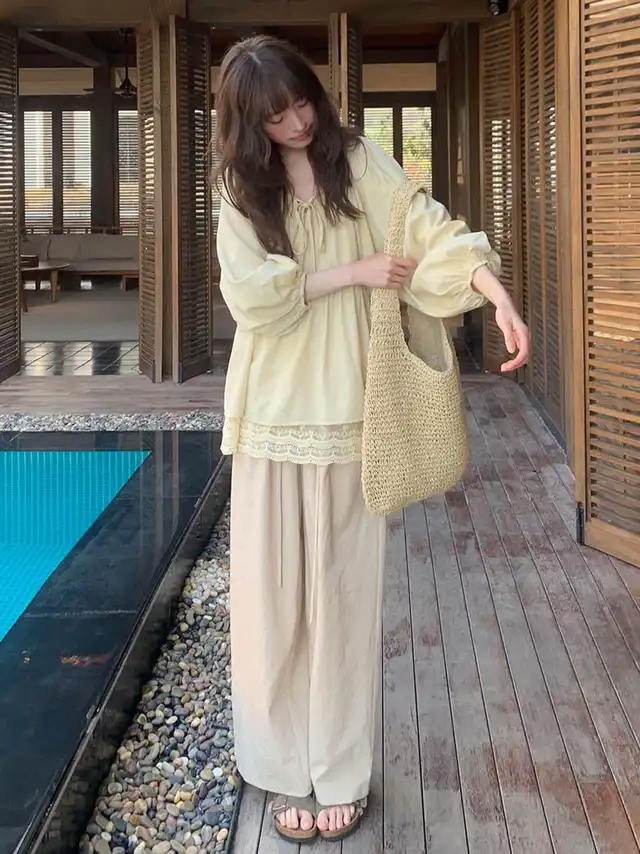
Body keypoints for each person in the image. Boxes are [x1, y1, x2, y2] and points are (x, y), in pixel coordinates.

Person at [213, 35, 530, 844]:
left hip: (351, 410)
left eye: (300, 102)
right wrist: (351, 273)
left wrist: (496, 295)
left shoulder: (357, 162)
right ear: (248, 123)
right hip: (271, 413)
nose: (295, 122)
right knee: (270, 603)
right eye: (276, 115)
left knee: (344, 602)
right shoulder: (238, 187)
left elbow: (428, 229)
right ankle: (282, 769)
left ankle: (340, 772)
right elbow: (251, 297)